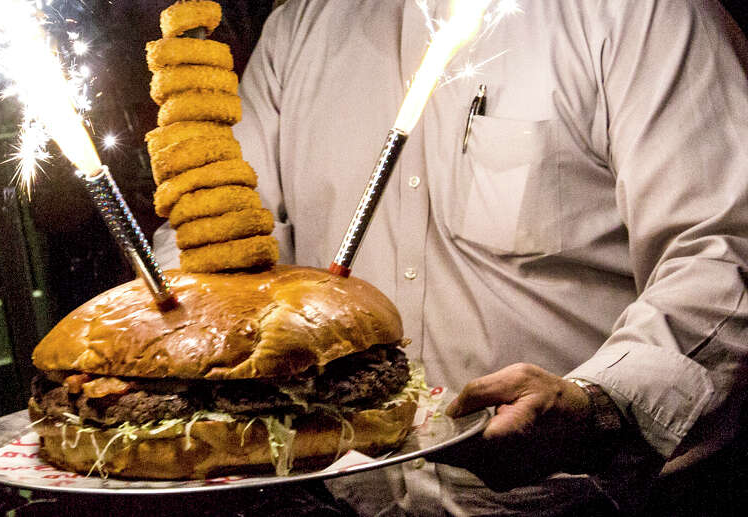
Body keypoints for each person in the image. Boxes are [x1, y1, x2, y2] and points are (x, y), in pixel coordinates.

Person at [154, 0, 748, 514]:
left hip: (591, 498)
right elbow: (217, 253)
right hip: (337, 501)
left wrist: (601, 405)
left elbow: (721, 250)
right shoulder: (299, 29)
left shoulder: (639, 14)